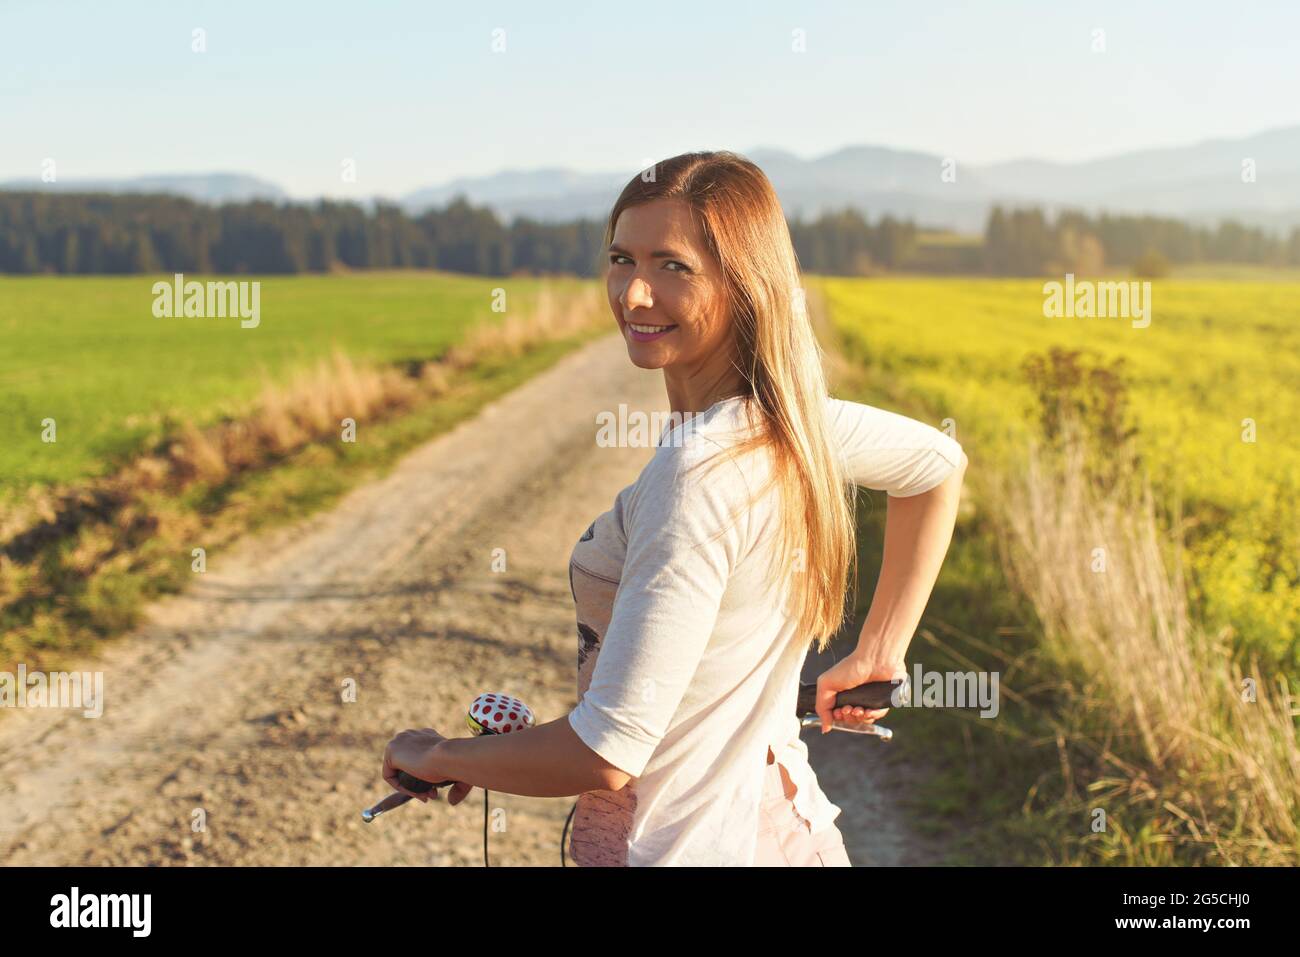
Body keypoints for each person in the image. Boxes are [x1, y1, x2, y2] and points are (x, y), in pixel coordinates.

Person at [382, 151, 967, 866]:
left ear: (744, 283)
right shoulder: (790, 424)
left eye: (673, 267)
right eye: (622, 259)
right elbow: (937, 467)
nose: (632, 294)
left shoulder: (696, 474)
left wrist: (440, 754)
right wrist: (881, 650)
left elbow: (605, 751)